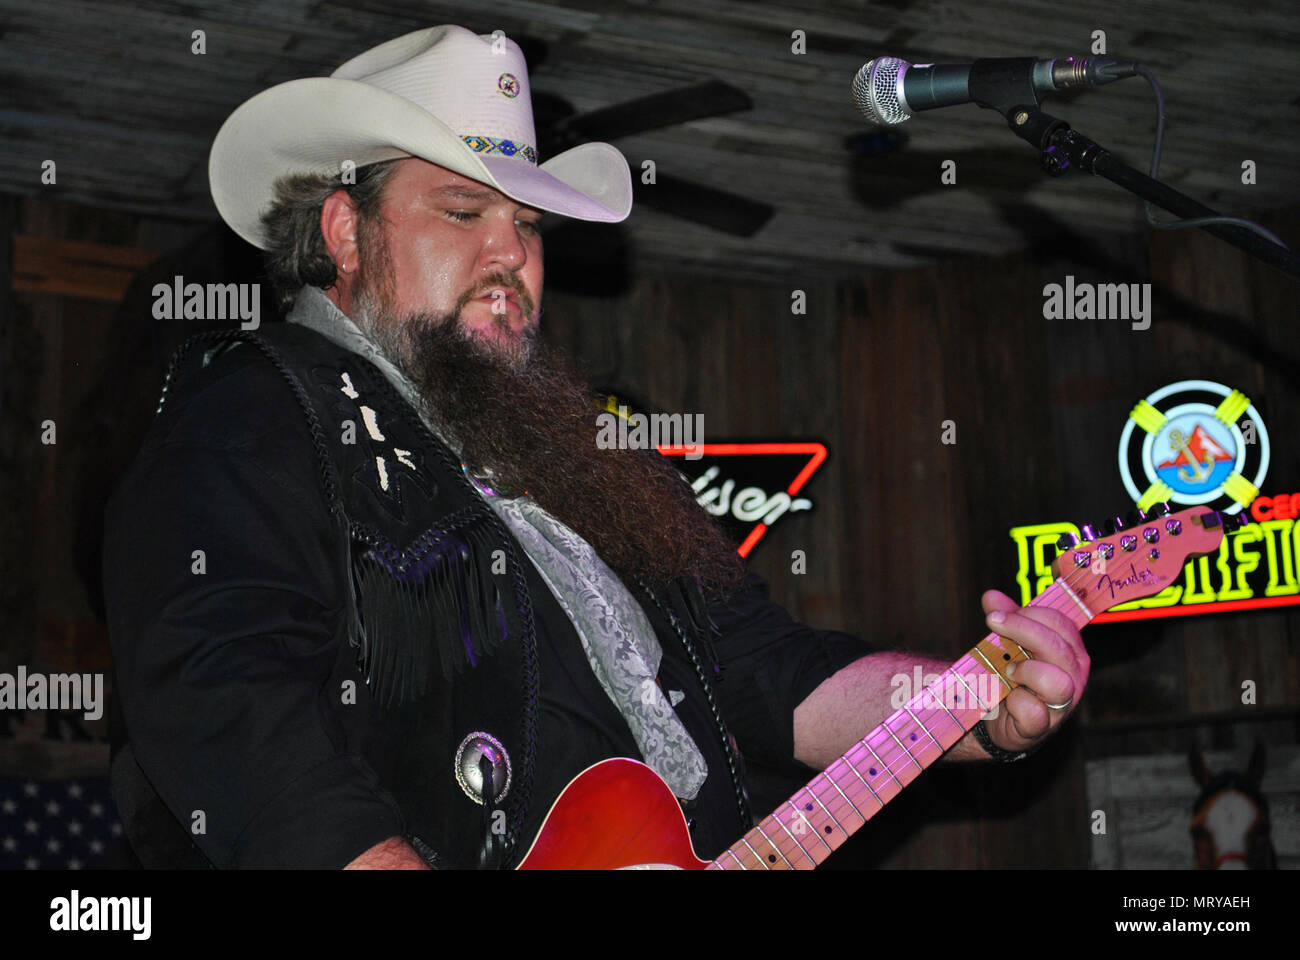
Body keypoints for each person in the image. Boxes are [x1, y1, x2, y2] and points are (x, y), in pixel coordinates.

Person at [103, 25, 1089, 870]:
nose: (511, 253)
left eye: (527, 223)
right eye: (463, 211)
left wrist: (973, 707)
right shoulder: (259, 404)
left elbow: (769, 673)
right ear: (345, 234)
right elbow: (223, 693)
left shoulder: (585, 450)